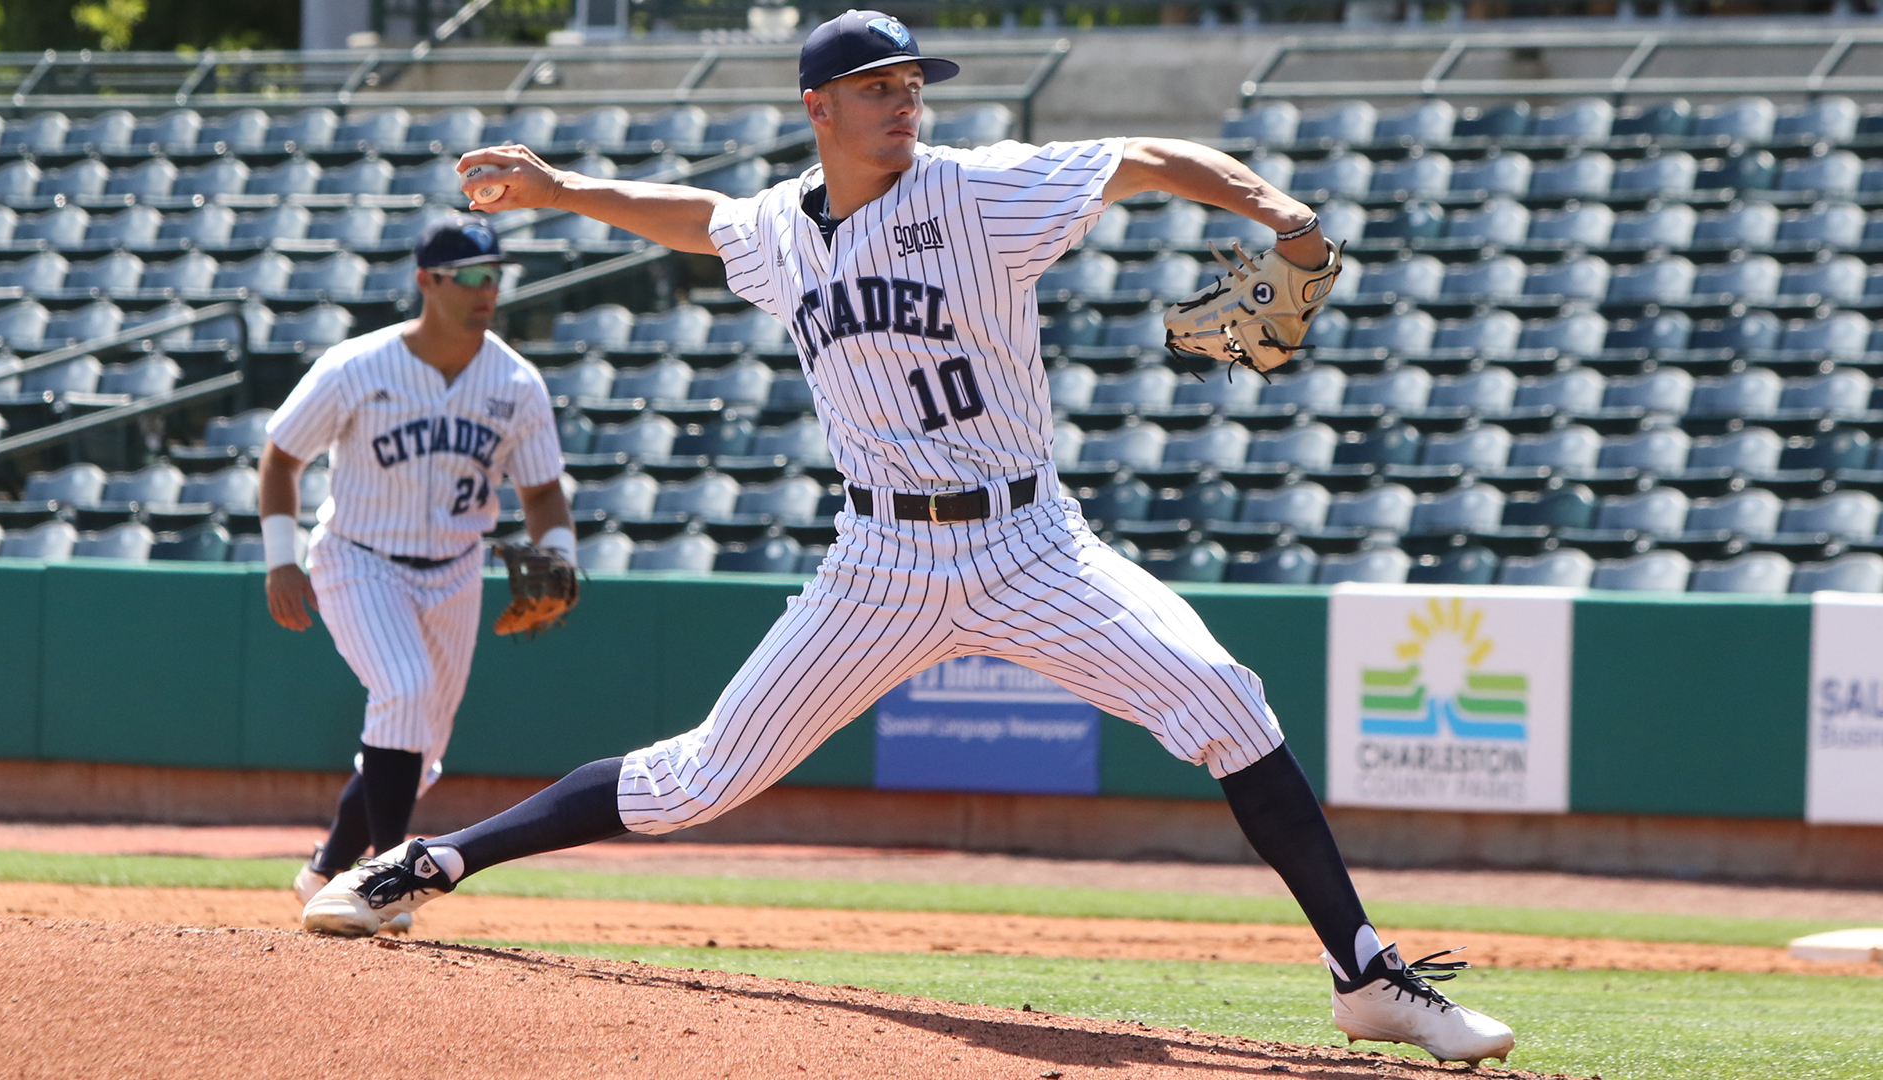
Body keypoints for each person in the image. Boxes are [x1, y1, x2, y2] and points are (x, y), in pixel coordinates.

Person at [301, 12, 1513, 1065]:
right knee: (696, 781)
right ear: (818, 107)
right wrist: (562, 190)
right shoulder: (780, 228)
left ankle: (1364, 975)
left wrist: (1280, 211)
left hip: (1028, 545)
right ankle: (429, 863)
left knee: (1226, 701)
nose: (904, 103)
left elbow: (1146, 157)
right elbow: (702, 218)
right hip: (878, 563)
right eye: (877, 87)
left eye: (913, 85)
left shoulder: (977, 191)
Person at [263, 215, 575, 930]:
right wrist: (280, 557)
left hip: (456, 572)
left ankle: (325, 872)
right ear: (427, 281)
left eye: (494, 275)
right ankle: (386, 880)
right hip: (358, 558)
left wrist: (559, 561)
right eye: (471, 276)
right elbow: (282, 457)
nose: (487, 288)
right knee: (402, 690)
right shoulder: (356, 366)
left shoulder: (515, 382)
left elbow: (542, 492)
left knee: (420, 748)